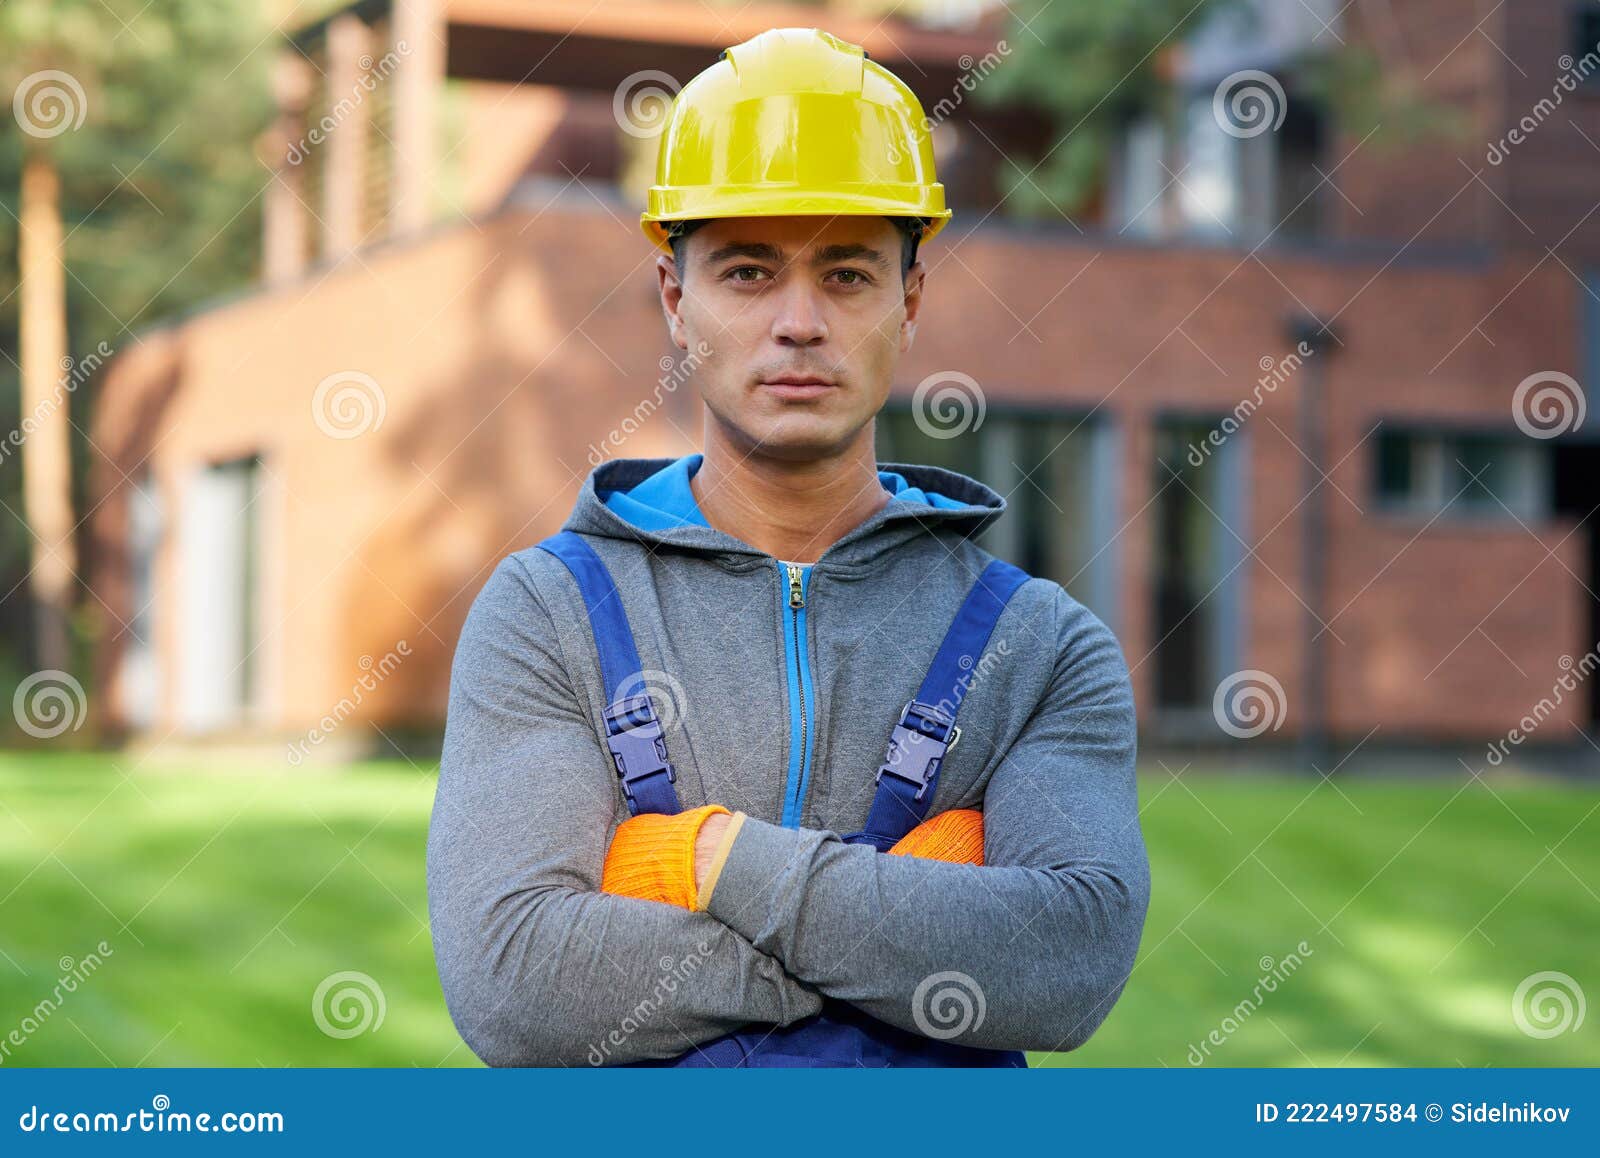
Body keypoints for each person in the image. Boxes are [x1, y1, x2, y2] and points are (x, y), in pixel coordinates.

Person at [426, 26, 1149, 1068]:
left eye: (847, 275)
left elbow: (1064, 961)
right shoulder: (547, 615)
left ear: (910, 299)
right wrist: (905, 932)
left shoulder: (1040, 649)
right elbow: (515, 982)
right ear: (677, 302)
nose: (799, 322)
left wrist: (707, 861)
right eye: (749, 271)